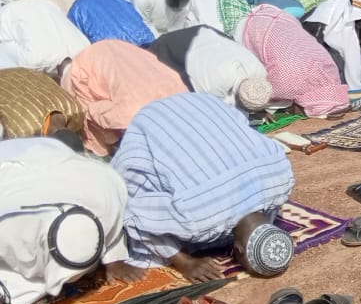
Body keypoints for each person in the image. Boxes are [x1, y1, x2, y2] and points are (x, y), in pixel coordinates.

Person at [111, 93, 296, 282]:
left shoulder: (282, 180)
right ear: (238, 250)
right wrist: (185, 263)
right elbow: (135, 216)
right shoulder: (196, 219)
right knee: (122, 193)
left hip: (203, 103)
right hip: (153, 120)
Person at [0, 138, 139, 304]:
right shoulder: (8, 225)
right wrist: (11, 300)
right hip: (10, 162)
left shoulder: (105, 192)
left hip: (54, 159)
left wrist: (114, 257)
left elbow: (114, 212)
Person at [60, 40, 188, 156]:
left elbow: (90, 117)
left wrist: (103, 146)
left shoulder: (74, 76)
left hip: (138, 113)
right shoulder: (108, 46)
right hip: (175, 95)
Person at [238, 4, 349, 118]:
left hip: (279, 18)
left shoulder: (330, 70)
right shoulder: (287, 85)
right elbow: (257, 95)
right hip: (254, 28)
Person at [147, 26, 272, 112]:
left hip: (209, 36)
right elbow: (210, 109)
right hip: (175, 47)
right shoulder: (213, 85)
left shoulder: (260, 72)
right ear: (239, 98)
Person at [127, 0, 193, 35]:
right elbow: (144, 23)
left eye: (182, 6)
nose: (178, 9)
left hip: (156, 26)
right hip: (127, 11)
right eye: (174, 6)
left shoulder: (185, 2)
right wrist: (159, 40)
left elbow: (176, 28)